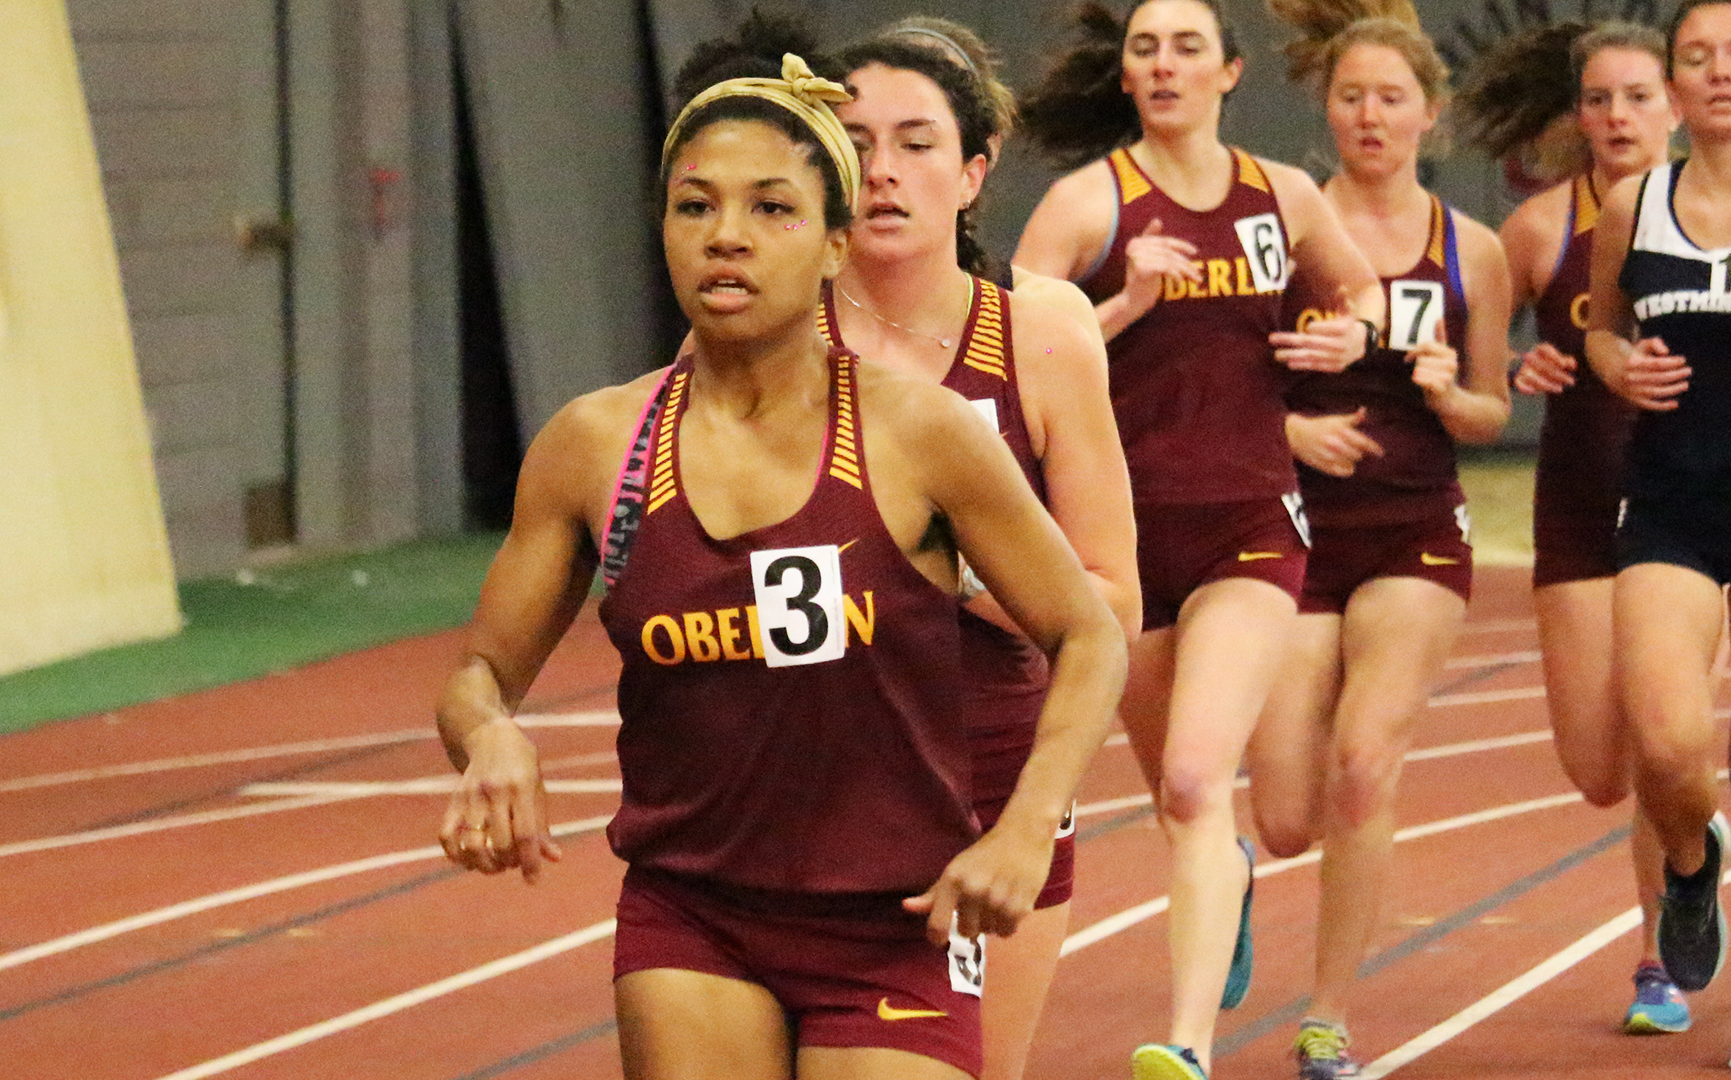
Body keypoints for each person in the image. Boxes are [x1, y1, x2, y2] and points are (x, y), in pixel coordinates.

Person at [434, 35, 1129, 1080]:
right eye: (695, 206)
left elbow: (1089, 630)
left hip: (898, 919)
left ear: (835, 244)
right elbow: (480, 672)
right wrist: (491, 737)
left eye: (771, 209)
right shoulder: (595, 445)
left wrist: (1028, 824)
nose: (728, 238)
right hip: (694, 913)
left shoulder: (923, 434)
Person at [1014, 3, 1384, 1077]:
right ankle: (1220, 878)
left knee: (1190, 780)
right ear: (1125, 79)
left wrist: (1346, 327)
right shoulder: (1090, 203)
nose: (1164, 64)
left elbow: (1355, 283)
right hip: (1121, 543)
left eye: (1185, 48)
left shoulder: (1283, 194)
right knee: (1189, 809)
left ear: (1229, 72)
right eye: (1144, 49)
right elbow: (1011, 349)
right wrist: (1123, 302)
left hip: (1250, 524)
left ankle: (1184, 1047)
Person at [822, 24, 1141, 1080]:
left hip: (988, 786)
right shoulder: (766, 330)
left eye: (915, 142)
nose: (881, 169)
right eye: (855, 138)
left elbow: (1111, 602)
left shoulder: (1041, 333)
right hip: (799, 786)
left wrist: (946, 566)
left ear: (971, 173)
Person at [1245, 5, 1513, 1076]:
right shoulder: (1288, 228)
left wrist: (1453, 395)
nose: (1370, 115)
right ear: (1328, 108)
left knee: (1365, 764)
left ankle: (1327, 1017)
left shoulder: (1472, 251)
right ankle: (1235, 884)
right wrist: (1288, 428)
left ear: (1428, 114)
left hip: (1416, 531)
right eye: (1351, 96)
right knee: (1284, 817)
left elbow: (1494, 409)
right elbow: (1222, 387)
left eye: (1391, 97)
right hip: (1298, 531)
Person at [1460, 17, 1690, 1034]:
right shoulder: (1541, 230)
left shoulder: (1712, 219)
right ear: (1576, 114)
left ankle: (1660, 963)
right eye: (1598, 99)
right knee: (1599, 768)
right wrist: (1518, 368)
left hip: (1686, 506)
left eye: (1637, 96)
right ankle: (1698, 835)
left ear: (1675, 105)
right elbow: (1482, 360)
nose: (1616, 117)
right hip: (1579, 503)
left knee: (1658, 732)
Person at [1586, 0, 1731, 1012]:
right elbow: (1604, 323)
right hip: (1674, 503)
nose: (1721, 71)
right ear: (1674, 89)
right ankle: (1691, 858)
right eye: (1699, 57)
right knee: (1668, 743)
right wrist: (1615, 366)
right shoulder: (1636, 203)